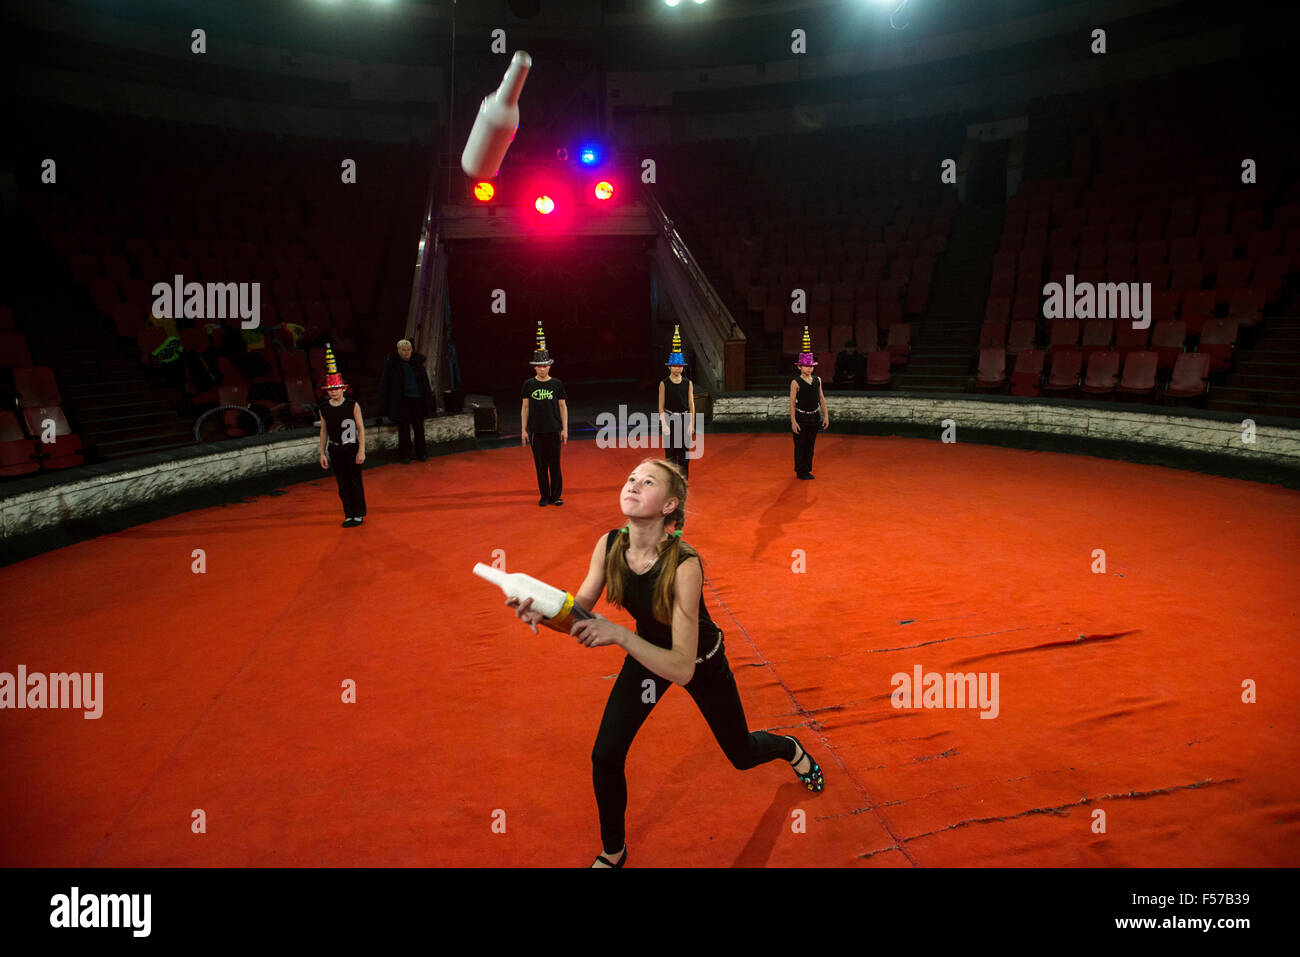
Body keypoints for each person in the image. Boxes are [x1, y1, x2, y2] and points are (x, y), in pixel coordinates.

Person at [506, 458, 825, 868]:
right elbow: (577, 619)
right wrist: (542, 613)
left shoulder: (685, 564)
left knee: (742, 754)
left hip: (699, 660)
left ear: (670, 505)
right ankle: (613, 851)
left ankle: (790, 747)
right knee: (605, 755)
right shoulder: (608, 545)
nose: (634, 484)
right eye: (631, 478)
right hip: (646, 654)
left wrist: (620, 635)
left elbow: (681, 668)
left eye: (648, 482)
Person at [316, 343, 367, 527]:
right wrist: (322, 453)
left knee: (354, 481)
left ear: (343, 388)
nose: (334, 392)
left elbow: (361, 428)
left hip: (352, 447)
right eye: (331, 389)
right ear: (327, 391)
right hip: (335, 449)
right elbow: (323, 431)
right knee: (342, 483)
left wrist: (362, 450)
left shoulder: (352, 405)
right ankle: (348, 513)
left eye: (337, 389)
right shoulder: (323, 409)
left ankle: (359, 513)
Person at [520, 322, 568, 506]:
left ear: (549, 366)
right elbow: (525, 408)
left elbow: (563, 407)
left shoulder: (556, 384)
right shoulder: (528, 385)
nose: (542, 369)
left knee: (555, 464)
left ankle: (556, 496)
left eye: (544, 365)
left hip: (554, 429)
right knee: (541, 466)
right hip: (536, 431)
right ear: (534, 367)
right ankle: (544, 496)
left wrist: (564, 429)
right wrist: (524, 430)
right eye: (539, 366)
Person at [379, 338, 436, 464]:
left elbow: (425, 384)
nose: (406, 352)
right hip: (402, 402)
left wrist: (429, 403)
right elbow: (386, 386)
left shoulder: (418, 364)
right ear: (399, 351)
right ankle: (405, 455)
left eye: (408, 350)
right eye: (403, 350)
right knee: (404, 429)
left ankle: (422, 453)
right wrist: (385, 407)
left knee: (419, 428)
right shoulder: (392, 366)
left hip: (418, 401)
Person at [789, 326, 829, 480]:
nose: (809, 369)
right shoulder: (795, 382)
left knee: (810, 445)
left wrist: (826, 416)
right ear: (799, 366)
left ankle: (807, 469)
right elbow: (792, 403)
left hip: (814, 416)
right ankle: (800, 470)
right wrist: (793, 421)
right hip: (801, 417)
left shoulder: (817, 380)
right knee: (800, 445)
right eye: (806, 366)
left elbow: (821, 398)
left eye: (811, 366)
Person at [657, 325, 695, 479]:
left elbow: (692, 404)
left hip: (685, 419)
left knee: (684, 455)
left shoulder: (688, 383)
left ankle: (683, 481)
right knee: (671, 455)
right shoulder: (664, 383)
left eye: (680, 366)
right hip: (670, 419)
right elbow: (660, 407)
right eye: (675, 365)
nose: (677, 368)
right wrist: (664, 424)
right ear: (669, 367)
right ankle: (672, 481)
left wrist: (692, 423)